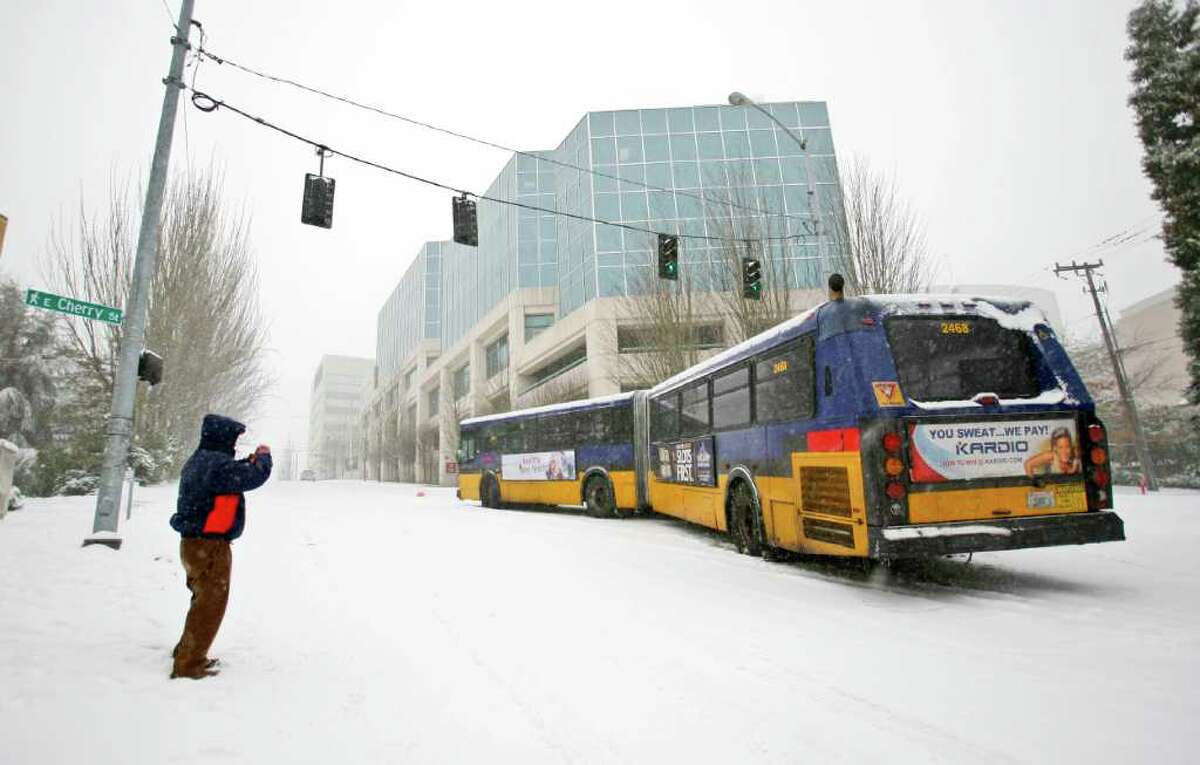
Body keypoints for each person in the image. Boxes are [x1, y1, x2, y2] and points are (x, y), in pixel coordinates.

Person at [169, 414, 272, 679]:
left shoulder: (202, 461)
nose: (234, 445)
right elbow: (252, 477)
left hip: (195, 543)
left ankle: (186, 650)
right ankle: (188, 664)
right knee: (210, 604)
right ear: (222, 438)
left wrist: (246, 463)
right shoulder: (215, 464)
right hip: (209, 546)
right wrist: (262, 459)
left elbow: (231, 474)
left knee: (201, 599)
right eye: (233, 439)